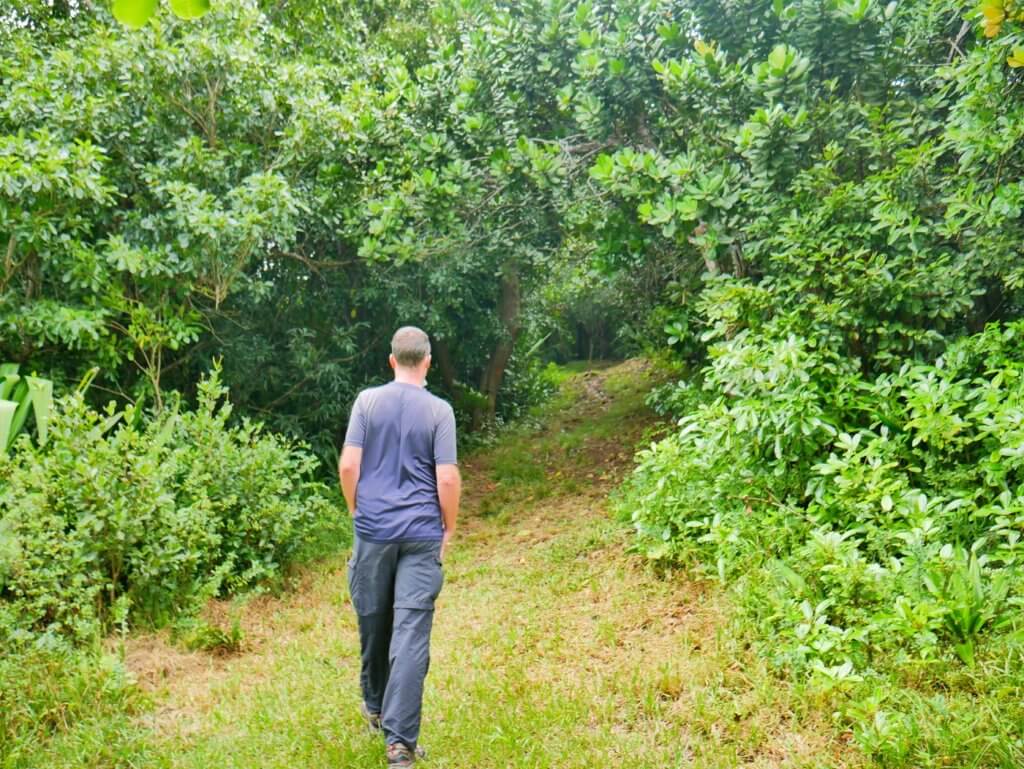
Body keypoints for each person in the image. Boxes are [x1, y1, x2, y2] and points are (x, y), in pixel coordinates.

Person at [338, 326, 461, 768]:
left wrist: (356, 509)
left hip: (373, 531)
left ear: (392, 361)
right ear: (426, 361)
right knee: (410, 634)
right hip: (421, 534)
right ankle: (400, 746)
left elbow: (350, 463)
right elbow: (446, 476)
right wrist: (448, 526)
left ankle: (376, 709)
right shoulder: (440, 411)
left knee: (374, 623)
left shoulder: (367, 402)